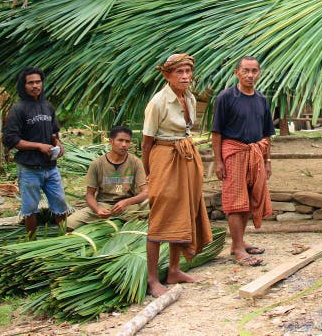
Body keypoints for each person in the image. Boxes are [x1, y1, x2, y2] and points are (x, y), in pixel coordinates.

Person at [142, 53, 212, 297]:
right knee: (162, 214)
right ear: (167, 75)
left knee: (183, 212)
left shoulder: (189, 98)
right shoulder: (158, 102)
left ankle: (174, 269)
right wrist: (150, 175)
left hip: (186, 157)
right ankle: (152, 280)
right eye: (178, 73)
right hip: (164, 157)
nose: (184, 77)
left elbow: (185, 130)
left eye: (187, 72)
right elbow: (147, 143)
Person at [212, 56, 275, 267]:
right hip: (234, 153)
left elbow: (267, 134)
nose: (250, 75)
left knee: (250, 199)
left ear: (259, 73)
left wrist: (267, 161)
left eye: (254, 71)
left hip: (256, 154)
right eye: (246, 71)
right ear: (236, 72)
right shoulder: (226, 97)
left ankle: (238, 243)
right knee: (235, 202)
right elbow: (217, 133)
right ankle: (238, 249)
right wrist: (218, 161)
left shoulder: (262, 100)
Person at [3, 67, 69, 237]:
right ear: (23, 86)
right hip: (29, 168)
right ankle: (31, 241)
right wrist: (38, 146)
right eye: (30, 82)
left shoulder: (47, 106)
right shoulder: (19, 109)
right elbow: (11, 139)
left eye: (38, 82)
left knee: (60, 203)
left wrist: (57, 143)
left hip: (50, 167)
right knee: (30, 208)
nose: (35, 86)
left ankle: (63, 237)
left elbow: (54, 132)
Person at [66, 125, 149, 230]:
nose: (124, 145)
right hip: (103, 206)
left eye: (127, 141)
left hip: (128, 207)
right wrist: (97, 209)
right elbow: (89, 195)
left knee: (153, 205)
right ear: (111, 141)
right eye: (120, 140)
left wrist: (126, 202)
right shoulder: (97, 164)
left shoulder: (135, 162)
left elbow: (145, 192)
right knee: (68, 224)